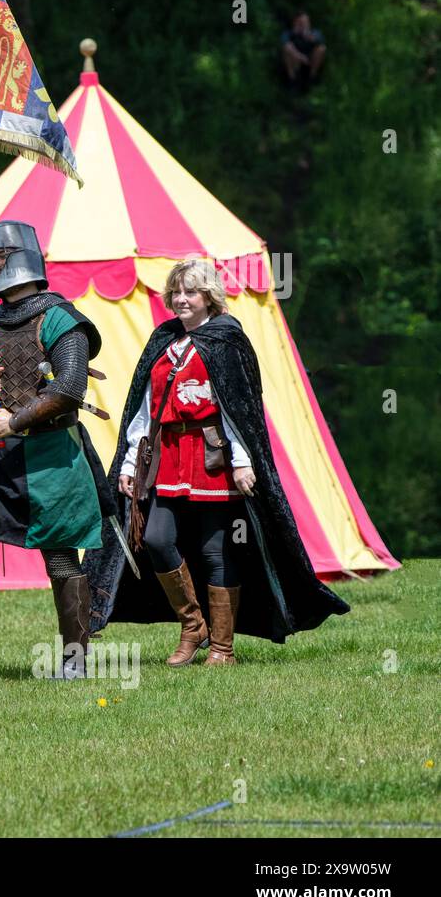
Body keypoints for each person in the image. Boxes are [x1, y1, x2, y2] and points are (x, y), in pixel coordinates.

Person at [84, 260, 349, 662]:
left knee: (215, 551)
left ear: (208, 295)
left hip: (214, 460)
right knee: (156, 538)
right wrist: (127, 466)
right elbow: (143, 408)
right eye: (176, 291)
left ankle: (223, 648)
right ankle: (193, 626)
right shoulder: (164, 340)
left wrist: (243, 462)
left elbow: (240, 411)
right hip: (168, 458)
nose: (181, 299)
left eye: (190, 291)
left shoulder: (227, 341)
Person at [0, 220, 114, 681]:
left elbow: (70, 388)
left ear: (16, 258)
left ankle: (75, 659)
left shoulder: (59, 318)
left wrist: (13, 419)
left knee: (58, 555)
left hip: (51, 454)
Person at [281, 11, 326, 90]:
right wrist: (300, 56)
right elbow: (285, 45)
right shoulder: (289, 33)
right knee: (287, 49)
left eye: (306, 22)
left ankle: (312, 78)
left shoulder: (314, 32)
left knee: (321, 48)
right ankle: (293, 80)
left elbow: (320, 42)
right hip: (295, 60)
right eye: (301, 22)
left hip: (310, 60)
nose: (304, 24)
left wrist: (310, 38)